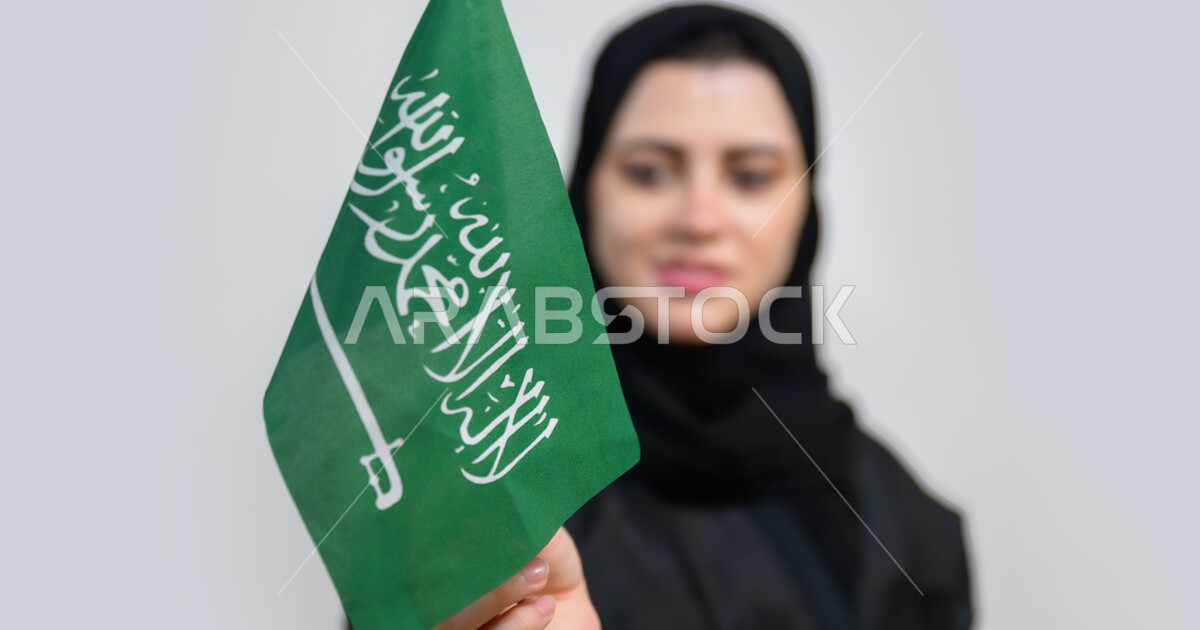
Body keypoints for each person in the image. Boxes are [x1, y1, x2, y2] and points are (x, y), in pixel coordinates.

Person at [436, 4, 972, 629]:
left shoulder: (908, 527)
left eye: (749, 176)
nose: (699, 218)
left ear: (806, 208)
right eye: (650, 172)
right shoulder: (480, 492)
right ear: (583, 191)